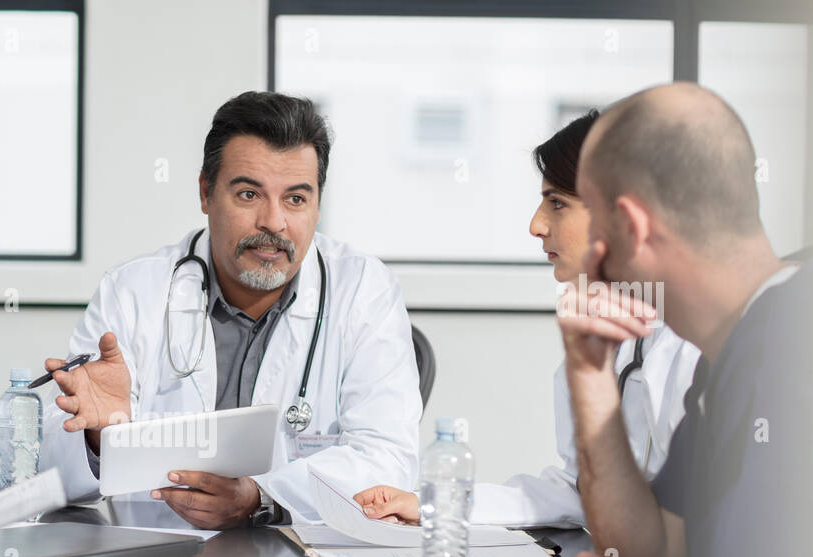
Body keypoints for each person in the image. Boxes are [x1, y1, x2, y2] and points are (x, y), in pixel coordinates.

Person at [39, 91, 422, 530]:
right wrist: (98, 438)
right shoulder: (134, 292)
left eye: (296, 199)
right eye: (248, 194)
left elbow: (389, 461)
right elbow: (44, 474)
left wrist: (262, 496)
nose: (273, 223)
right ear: (206, 192)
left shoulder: (363, 292)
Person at [544, 82, 808, 557]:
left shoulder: (789, 344)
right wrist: (590, 377)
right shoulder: (728, 353)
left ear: (632, 228)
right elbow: (651, 556)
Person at [353, 110, 699, 528]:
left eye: (557, 203)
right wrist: (436, 504)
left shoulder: (693, 343)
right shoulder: (609, 332)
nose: (536, 225)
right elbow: (578, 490)